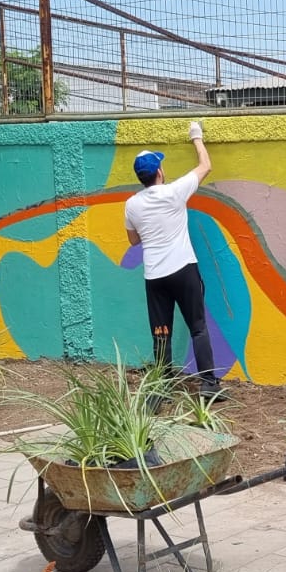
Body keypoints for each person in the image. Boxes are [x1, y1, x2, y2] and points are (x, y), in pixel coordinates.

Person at [125, 121, 219, 392]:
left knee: (161, 333)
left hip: (154, 276)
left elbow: (133, 240)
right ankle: (209, 385)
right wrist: (196, 137)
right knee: (197, 327)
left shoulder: (131, 205)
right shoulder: (175, 192)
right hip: (183, 270)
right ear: (159, 172)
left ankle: (162, 386)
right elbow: (205, 166)